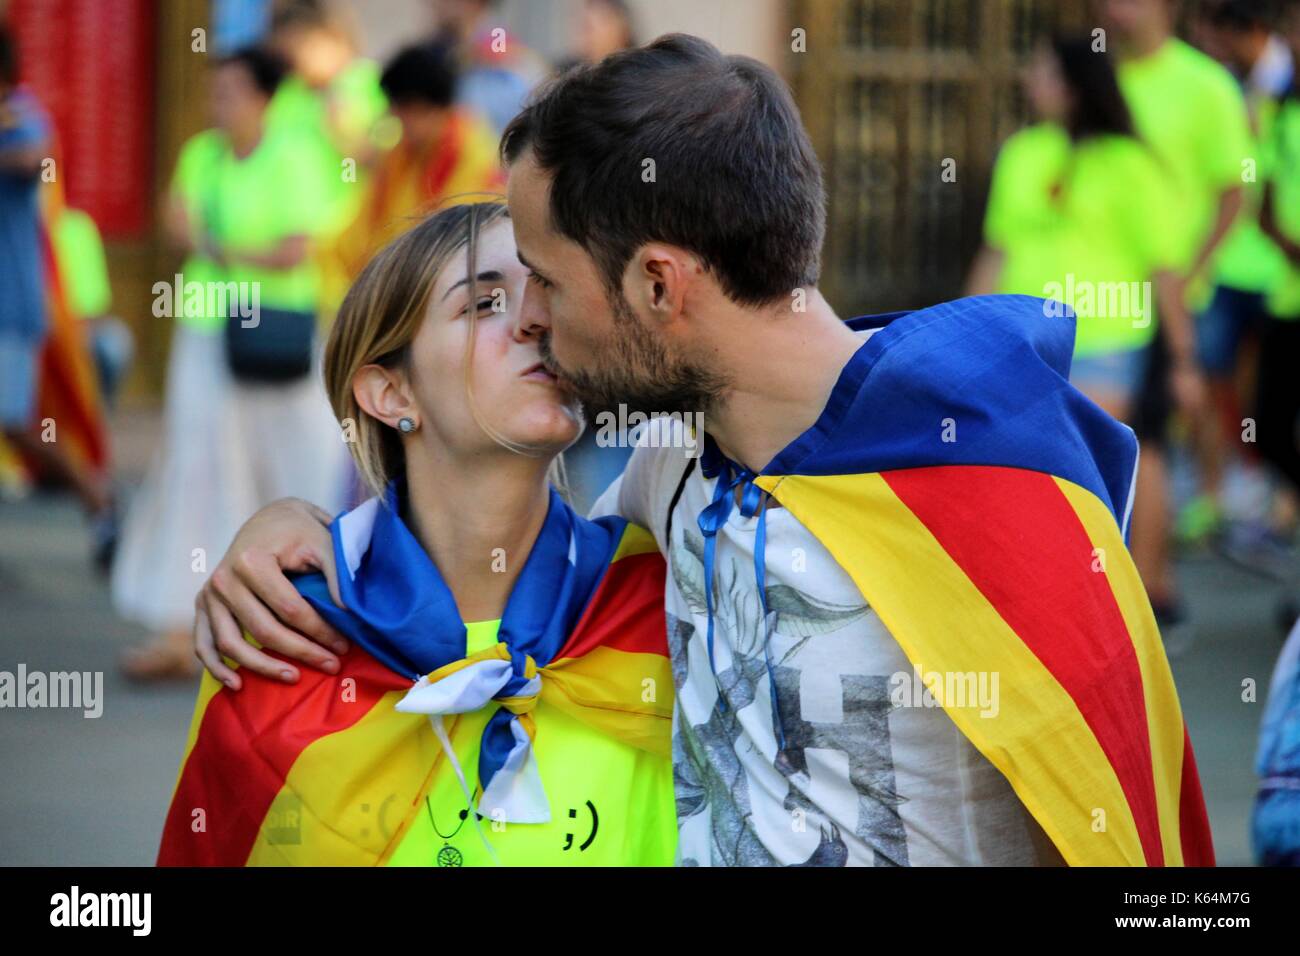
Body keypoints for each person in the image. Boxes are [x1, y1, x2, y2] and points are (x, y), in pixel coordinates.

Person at [192, 35, 1214, 866]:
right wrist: (291, 527)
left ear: (657, 286)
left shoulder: (1000, 496)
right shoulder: (672, 470)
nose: (535, 321)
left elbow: (1119, 823)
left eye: (543, 278)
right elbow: (487, 550)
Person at [158, 202, 676, 866]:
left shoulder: (653, 599)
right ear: (389, 393)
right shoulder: (284, 633)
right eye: (484, 303)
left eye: (546, 289)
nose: (534, 320)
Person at [111, 47, 347, 681]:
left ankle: (305, 611)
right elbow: (175, 225)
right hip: (210, 328)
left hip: (281, 333)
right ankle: (179, 622)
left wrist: (220, 245)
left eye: (233, 92)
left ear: (265, 97)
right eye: (216, 93)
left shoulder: (299, 153)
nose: (221, 105)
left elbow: (297, 247)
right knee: (198, 473)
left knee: (299, 468)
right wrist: (240, 250)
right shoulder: (203, 156)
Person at [1099, 0, 1253, 631]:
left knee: (1150, 440)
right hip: (1098, 294)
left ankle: (1156, 597)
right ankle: (1123, 590)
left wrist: (1188, 274)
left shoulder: (1205, 84)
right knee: (1116, 440)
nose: (1113, 9)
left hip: (1165, 298)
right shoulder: (1100, 73)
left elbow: (1235, 188)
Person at [969, 34, 1200, 429]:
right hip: (1022, 339)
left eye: (1043, 72)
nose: (1031, 80)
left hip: (1103, 340)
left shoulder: (1129, 163)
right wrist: (966, 329)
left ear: (1074, 87)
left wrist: (1183, 360)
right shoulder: (1021, 153)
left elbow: (1163, 266)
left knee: (1087, 472)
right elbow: (997, 250)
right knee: (1028, 469)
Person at [1183, 0, 1294, 546]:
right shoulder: (1223, 84)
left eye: (1221, 37)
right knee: (1211, 379)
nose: (1213, 47)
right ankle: (1213, 495)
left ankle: (1278, 505)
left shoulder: (1286, 83)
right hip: (1229, 263)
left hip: (1278, 271)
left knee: (1269, 395)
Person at [0, 27, 113, 539]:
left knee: (15, 423)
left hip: (12, 304)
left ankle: (98, 498)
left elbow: (33, 161)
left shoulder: (22, 119)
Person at [327, 40, 503, 292]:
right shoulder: (401, 154)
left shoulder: (472, 154)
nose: (397, 119)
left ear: (432, 107)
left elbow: (451, 238)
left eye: (404, 109)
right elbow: (365, 230)